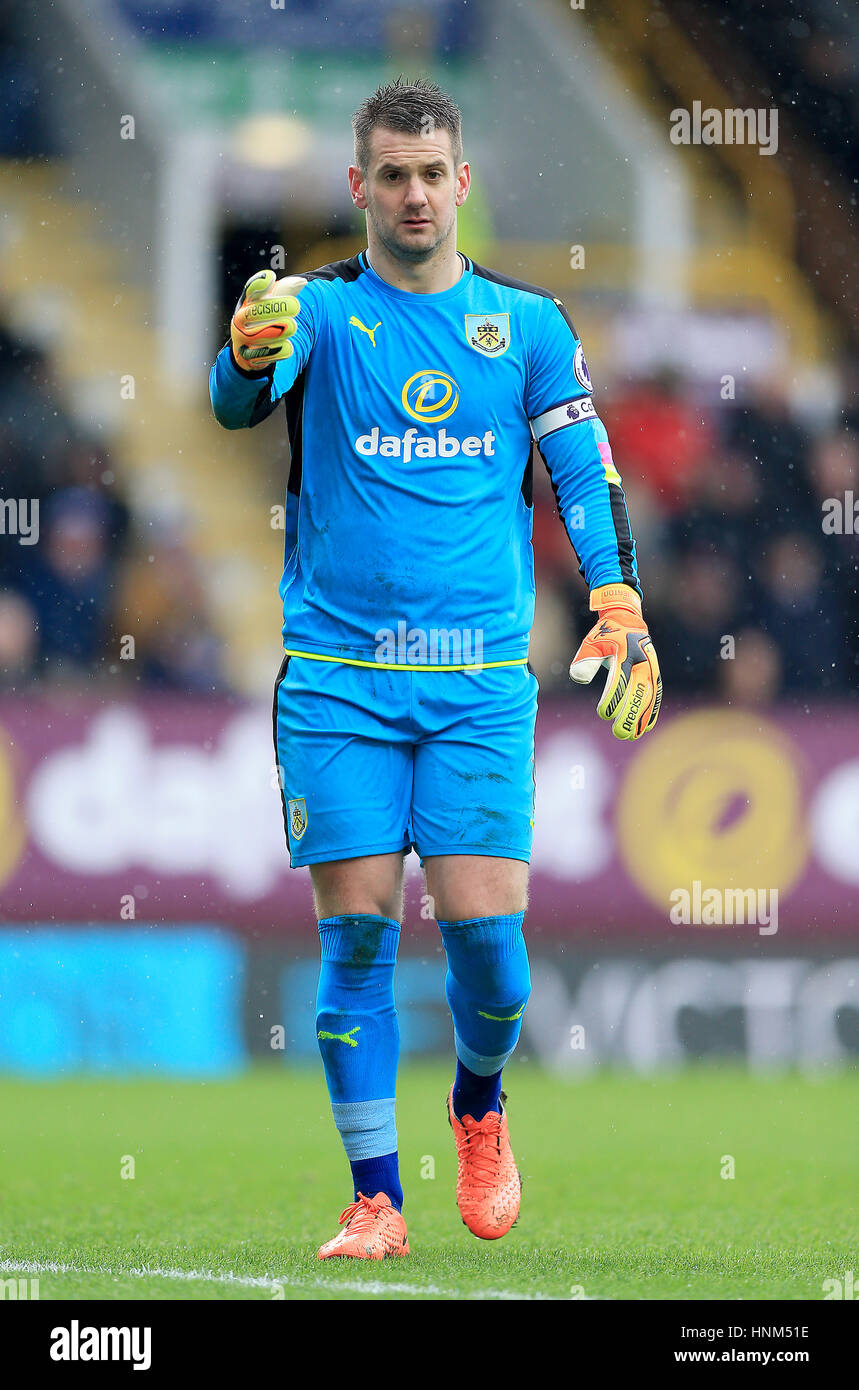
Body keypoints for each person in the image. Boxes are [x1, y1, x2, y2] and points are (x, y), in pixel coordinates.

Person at [209, 77, 661, 1260]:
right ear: (359, 188)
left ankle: (475, 1104)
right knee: (355, 935)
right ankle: (374, 1199)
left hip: (475, 687)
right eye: (390, 176)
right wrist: (245, 351)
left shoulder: (529, 327)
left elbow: (580, 474)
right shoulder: (316, 311)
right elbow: (233, 398)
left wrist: (616, 596)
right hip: (337, 676)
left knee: (492, 962)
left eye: (431, 174)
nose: (413, 194)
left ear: (462, 183)